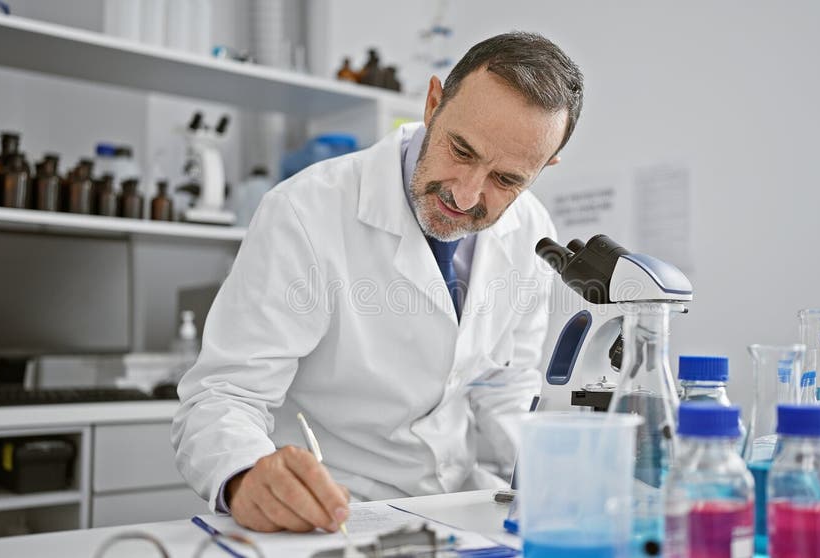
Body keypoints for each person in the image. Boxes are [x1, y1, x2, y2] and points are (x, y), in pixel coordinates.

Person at [171, 31, 584, 533]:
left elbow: (504, 386)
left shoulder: (532, 229)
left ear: (544, 166)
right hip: (333, 513)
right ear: (433, 103)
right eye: (461, 150)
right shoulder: (306, 211)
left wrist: (556, 476)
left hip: (457, 511)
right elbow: (224, 394)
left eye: (507, 180)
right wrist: (244, 475)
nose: (466, 194)